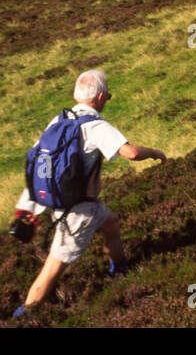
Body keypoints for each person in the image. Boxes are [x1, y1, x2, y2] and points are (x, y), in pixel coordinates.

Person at [9, 69, 165, 318]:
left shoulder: (58, 121)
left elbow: (41, 164)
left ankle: (121, 270)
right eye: (109, 96)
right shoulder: (95, 126)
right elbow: (131, 153)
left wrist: (28, 207)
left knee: (111, 224)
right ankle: (24, 316)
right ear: (101, 96)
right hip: (78, 214)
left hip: (79, 206)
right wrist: (156, 152)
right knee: (52, 269)